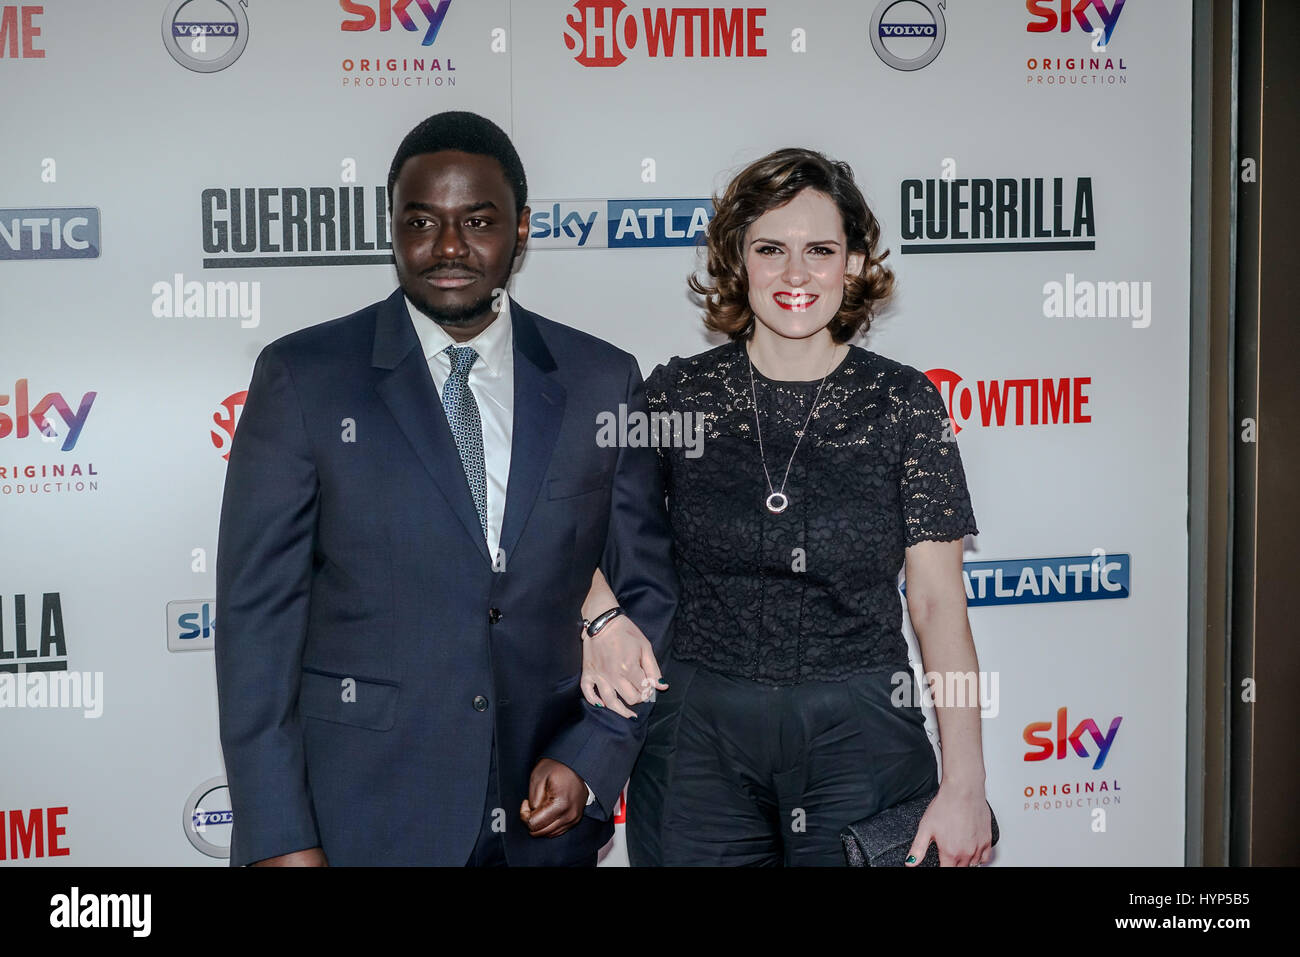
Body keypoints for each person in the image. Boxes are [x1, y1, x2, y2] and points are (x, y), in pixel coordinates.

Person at [214, 111, 677, 867]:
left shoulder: (600, 380)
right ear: (391, 228)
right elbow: (257, 626)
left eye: (479, 221)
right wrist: (279, 836)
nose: (451, 247)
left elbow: (646, 590)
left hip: (541, 822)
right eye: (423, 221)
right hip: (360, 820)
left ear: (521, 229)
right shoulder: (304, 377)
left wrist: (593, 755)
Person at [579, 147, 993, 866]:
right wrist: (597, 614)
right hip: (697, 738)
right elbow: (567, 518)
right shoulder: (679, 396)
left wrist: (966, 783)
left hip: (861, 735)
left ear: (855, 264)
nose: (796, 274)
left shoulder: (903, 404)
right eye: (771, 248)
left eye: (820, 250)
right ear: (739, 261)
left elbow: (937, 605)